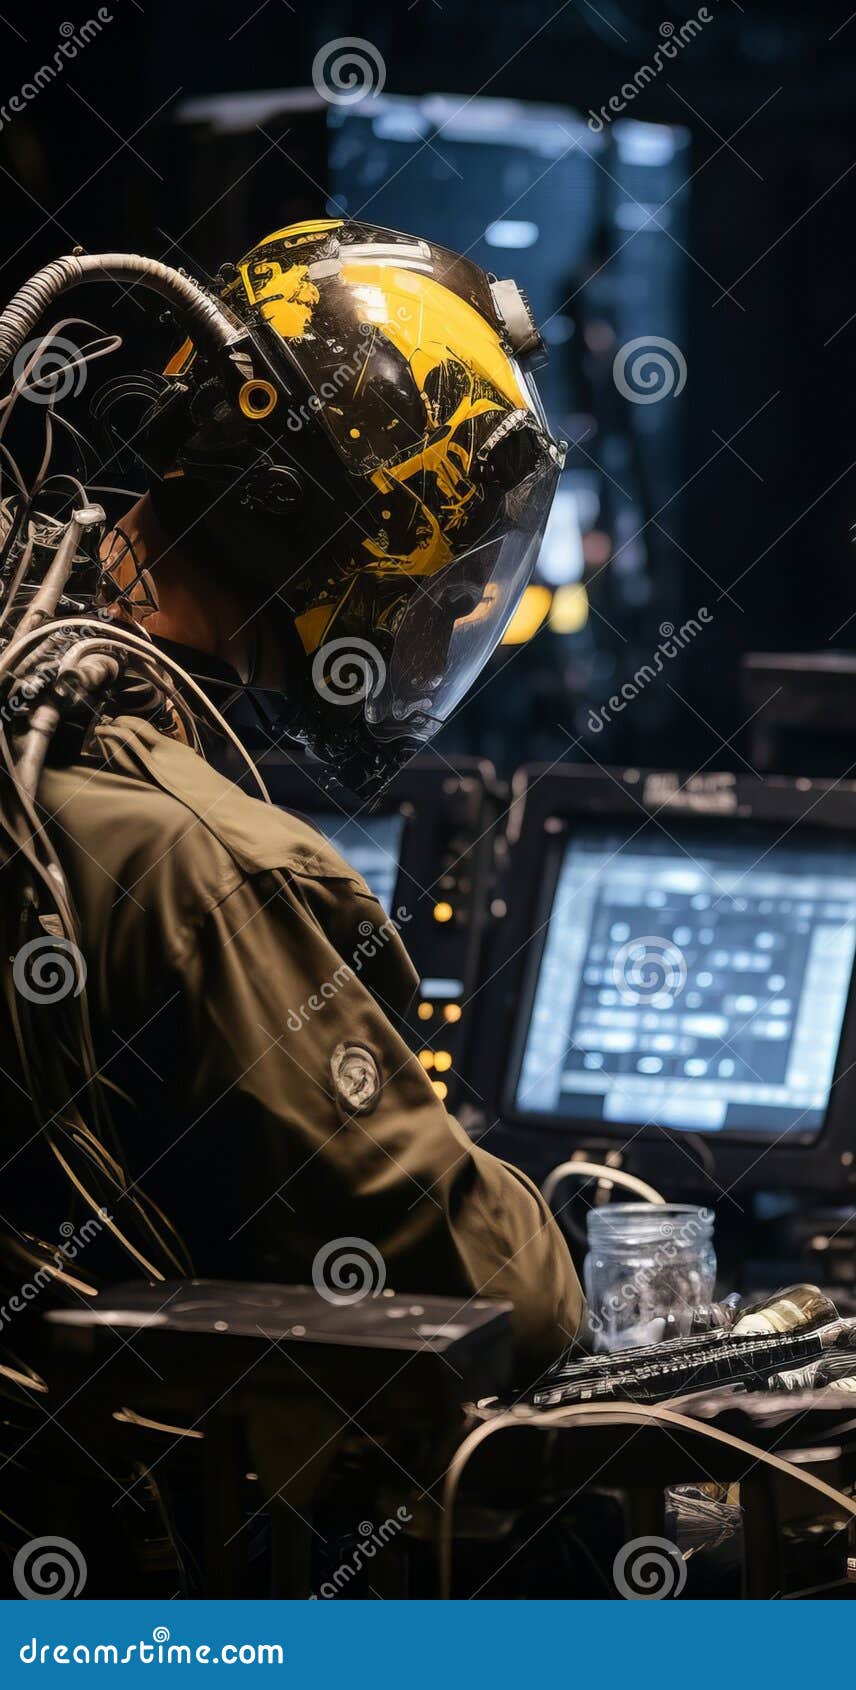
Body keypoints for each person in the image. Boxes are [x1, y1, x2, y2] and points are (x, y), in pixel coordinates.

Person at [0, 220, 582, 1380]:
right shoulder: (213, 867)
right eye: (441, 580)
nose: (450, 623)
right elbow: (501, 1301)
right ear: (293, 521)